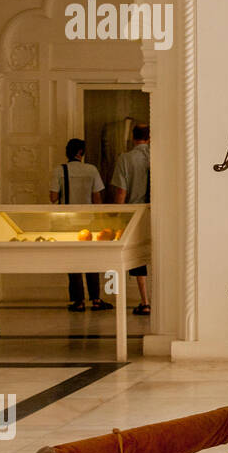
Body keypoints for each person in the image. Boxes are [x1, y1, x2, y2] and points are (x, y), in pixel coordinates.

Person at [49, 138, 112, 313]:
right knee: (91, 260)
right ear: (81, 153)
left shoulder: (59, 170)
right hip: (89, 221)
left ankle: (78, 301)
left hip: (67, 222)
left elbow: (53, 197)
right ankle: (96, 298)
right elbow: (97, 198)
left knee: (73, 262)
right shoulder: (91, 170)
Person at [109, 124, 151, 315]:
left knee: (138, 257)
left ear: (133, 138)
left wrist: (118, 214)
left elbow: (121, 191)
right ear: (149, 137)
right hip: (159, 211)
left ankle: (145, 300)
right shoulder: (157, 156)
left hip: (135, 212)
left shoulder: (125, 159)